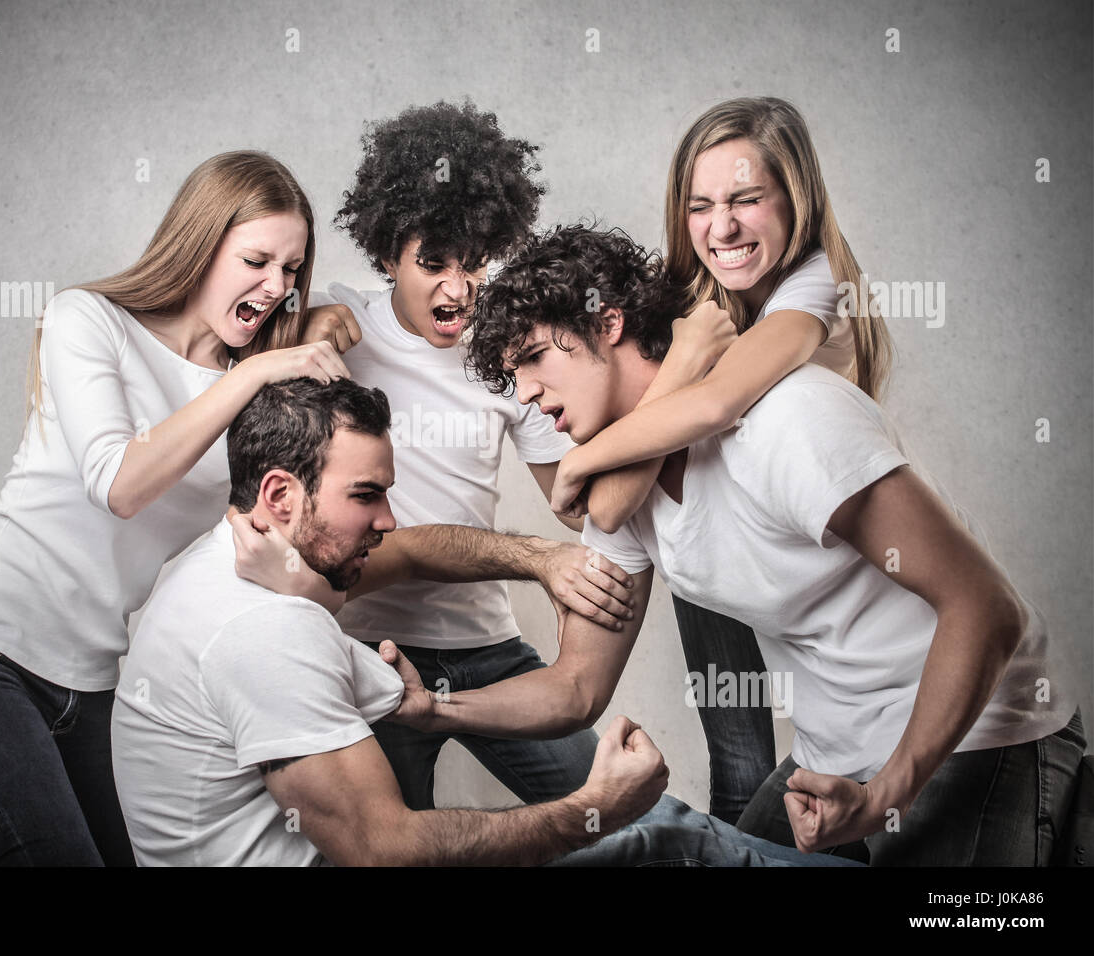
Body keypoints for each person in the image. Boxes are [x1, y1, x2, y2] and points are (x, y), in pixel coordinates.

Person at [390, 222, 1084, 866]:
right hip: (834, 754)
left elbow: (986, 607)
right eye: (514, 378)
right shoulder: (620, 495)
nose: (529, 394)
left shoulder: (789, 421)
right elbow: (577, 687)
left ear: (610, 322)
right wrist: (438, 709)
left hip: (981, 733)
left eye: (537, 358)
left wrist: (889, 794)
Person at [0, 150, 353, 867]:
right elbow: (118, 482)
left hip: (94, 686)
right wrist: (257, 371)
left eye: (291, 270)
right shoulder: (88, 320)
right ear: (199, 243)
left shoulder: (252, 389)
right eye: (256, 260)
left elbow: (261, 541)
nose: (276, 287)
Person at [110, 375, 860, 867]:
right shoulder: (266, 627)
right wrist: (591, 808)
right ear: (280, 496)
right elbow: (386, 848)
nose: (388, 519)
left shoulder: (231, 566)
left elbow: (411, 557)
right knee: (664, 841)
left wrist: (536, 560)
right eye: (367, 496)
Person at [301, 100, 731, 811]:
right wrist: (305, 325)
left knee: (618, 815)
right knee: (398, 850)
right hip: (368, 647)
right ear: (384, 255)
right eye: (432, 263)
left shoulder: (511, 358)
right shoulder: (338, 326)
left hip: (483, 642)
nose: (458, 288)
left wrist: (676, 377)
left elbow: (591, 501)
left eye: (473, 264)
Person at [551, 98, 898, 824]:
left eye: (746, 199)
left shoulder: (814, 282)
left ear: (795, 199)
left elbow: (716, 405)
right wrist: (686, 354)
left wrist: (583, 461)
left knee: (759, 760)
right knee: (737, 751)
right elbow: (616, 509)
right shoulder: (698, 296)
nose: (721, 226)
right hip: (710, 530)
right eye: (699, 205)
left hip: (796, 526)